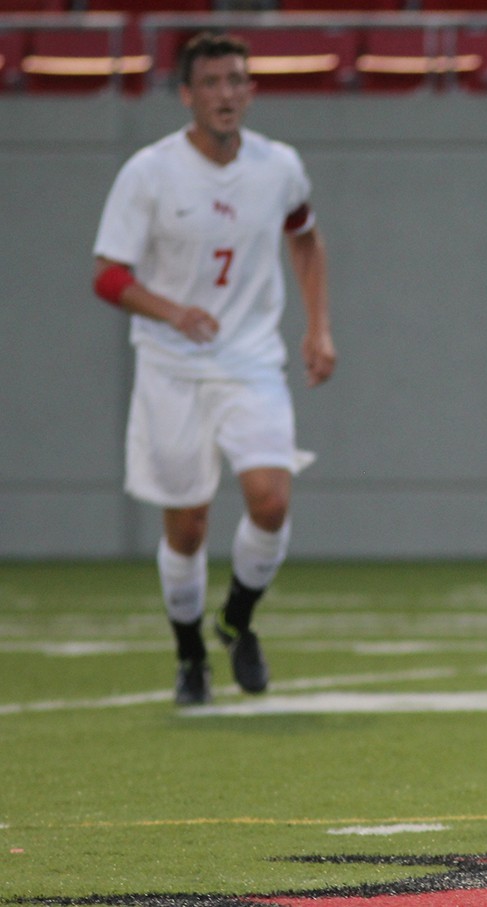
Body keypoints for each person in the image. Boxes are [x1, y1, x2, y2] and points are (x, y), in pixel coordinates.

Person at [91, 32, 336, 705]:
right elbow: (107, 276)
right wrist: (171, 310)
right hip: (171, 366)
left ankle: (238, 621)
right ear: (187, 94)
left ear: (251, 90)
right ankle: (189, 652)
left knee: (271, 498)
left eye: (237, 81)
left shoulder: (278, 165)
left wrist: (318, 326)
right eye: (212, 83)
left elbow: (306, 236)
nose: (226, 94)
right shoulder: (149, 172)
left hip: (251, 359)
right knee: (188, 523)